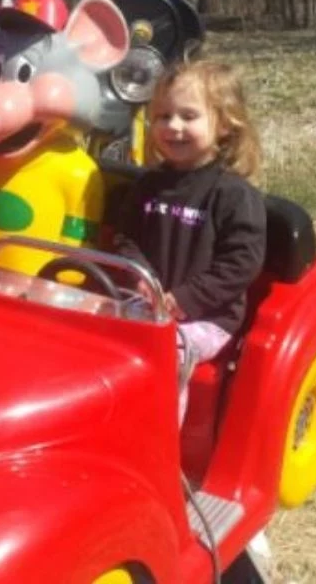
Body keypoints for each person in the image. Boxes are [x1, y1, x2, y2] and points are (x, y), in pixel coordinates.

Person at [113, 59, 267, 422]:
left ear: (225, 124)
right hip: (146, 303)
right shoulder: (147, 185)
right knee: (99, 337)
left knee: (167, 354)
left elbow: (241, 262)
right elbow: (125, 238)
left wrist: (185, 300)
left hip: (206, 318)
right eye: (163, 116)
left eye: (188, 116)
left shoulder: (232, 194)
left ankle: (160, 447)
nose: (173, 127)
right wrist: (140, 279)